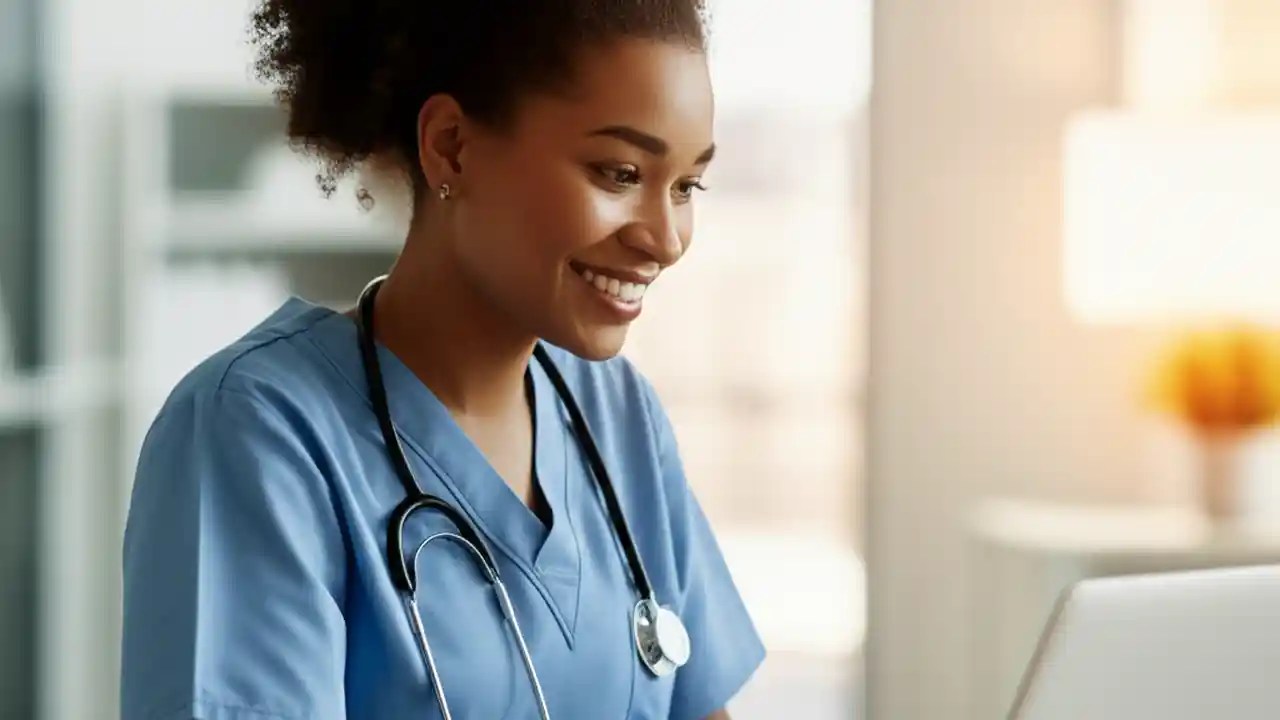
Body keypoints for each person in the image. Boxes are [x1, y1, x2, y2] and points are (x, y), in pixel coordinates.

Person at [120, 1, 765, 718]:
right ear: (452, 147)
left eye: (686, 187)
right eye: (619, 173)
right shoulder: (258, 432)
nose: (666, 237)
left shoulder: (618, 417)